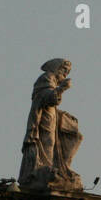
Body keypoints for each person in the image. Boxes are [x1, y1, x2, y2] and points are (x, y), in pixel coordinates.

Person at [19, 58, 83, 191]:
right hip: (42, 122)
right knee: (47, 143)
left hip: (51, 118)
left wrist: (63, 114)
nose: (65, 74)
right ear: (56, 68)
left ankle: (60, 168)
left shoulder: (51, 80)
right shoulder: (46, 78)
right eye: (64, 71)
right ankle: (43, 170)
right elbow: (47, 98)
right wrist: (62, 89)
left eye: (67, 72)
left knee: (74, 137)